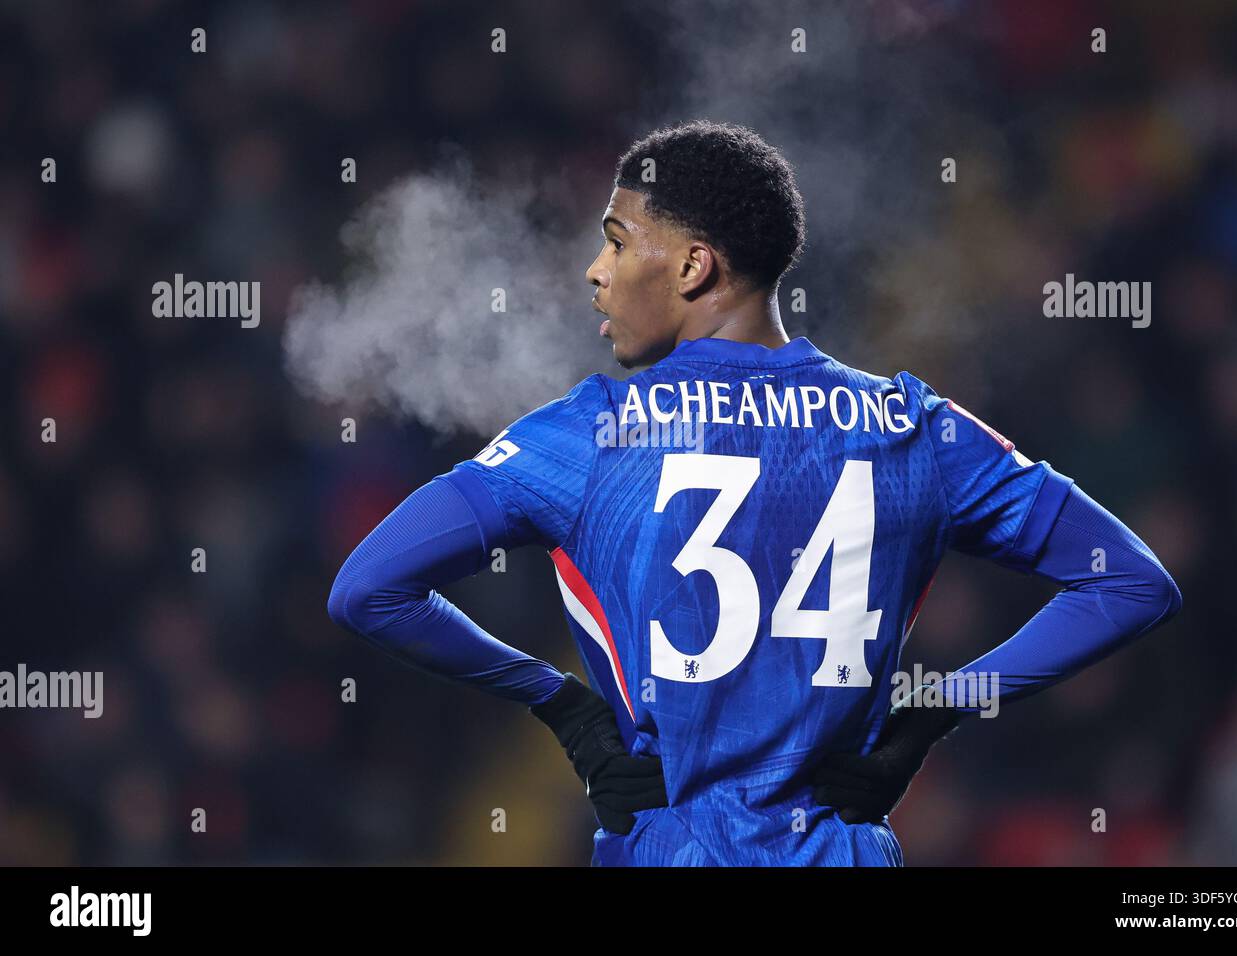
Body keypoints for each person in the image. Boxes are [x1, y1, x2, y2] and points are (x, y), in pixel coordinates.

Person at [327, 120, 1181, 866]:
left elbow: (369, 589)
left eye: (619, 240)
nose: (595, 270)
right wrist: (937, 710)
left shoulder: (591, 434)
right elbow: (1132, 582)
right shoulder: (913, 427)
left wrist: (564, 709)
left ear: (696, 266)